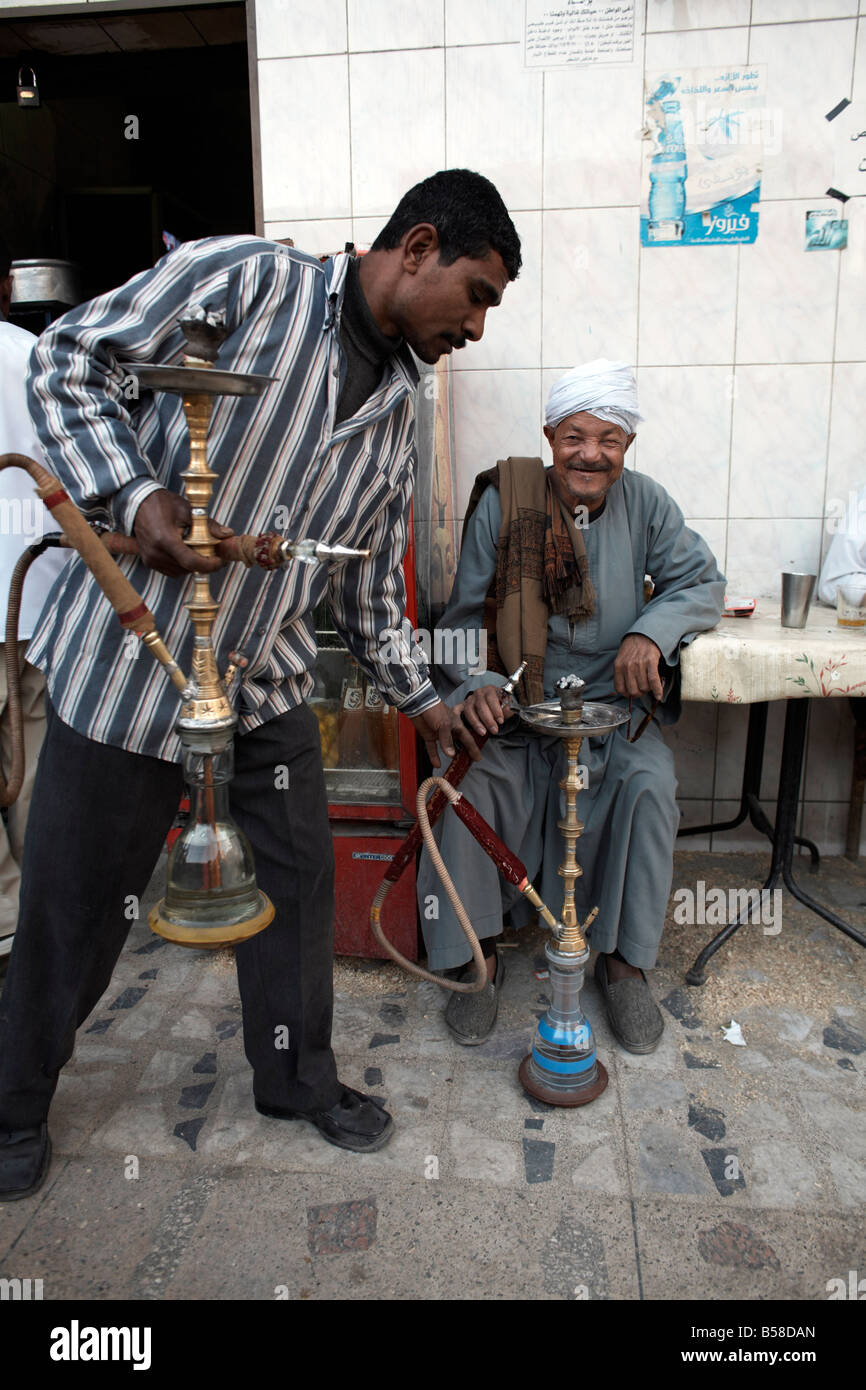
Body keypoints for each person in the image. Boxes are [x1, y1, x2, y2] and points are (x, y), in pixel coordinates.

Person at [0, 170, 521, 1199]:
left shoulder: (401, 414)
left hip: (261, 683)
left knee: (293, 885)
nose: (475, 323)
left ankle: (293, 1076)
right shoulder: (244, 279)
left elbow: (367, 584)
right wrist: (138, 493)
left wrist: (424, 698)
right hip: (132, 664)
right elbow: (69, 358)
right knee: (77, 902)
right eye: (476, 293)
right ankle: (12, 1103)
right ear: (416, 247)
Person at [417, 359, 725, 1052]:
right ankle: (478, 957)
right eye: (576, 437)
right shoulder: (510, 499)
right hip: (522, 710)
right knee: (460, 784)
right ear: (551, 435)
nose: (591, 454)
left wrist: (652, 630)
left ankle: (624, 965)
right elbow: (462, 620)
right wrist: (475, 687)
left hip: (611, 712)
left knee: (650, 786)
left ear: (626, 448)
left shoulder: (647, 503)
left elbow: (701, 581)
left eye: (609, 440)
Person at [0, 243, 67, 957]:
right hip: (40, 598)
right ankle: (44, 912)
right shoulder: (38, 356)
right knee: (36, 756)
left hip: (17, 594)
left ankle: (8, 922)